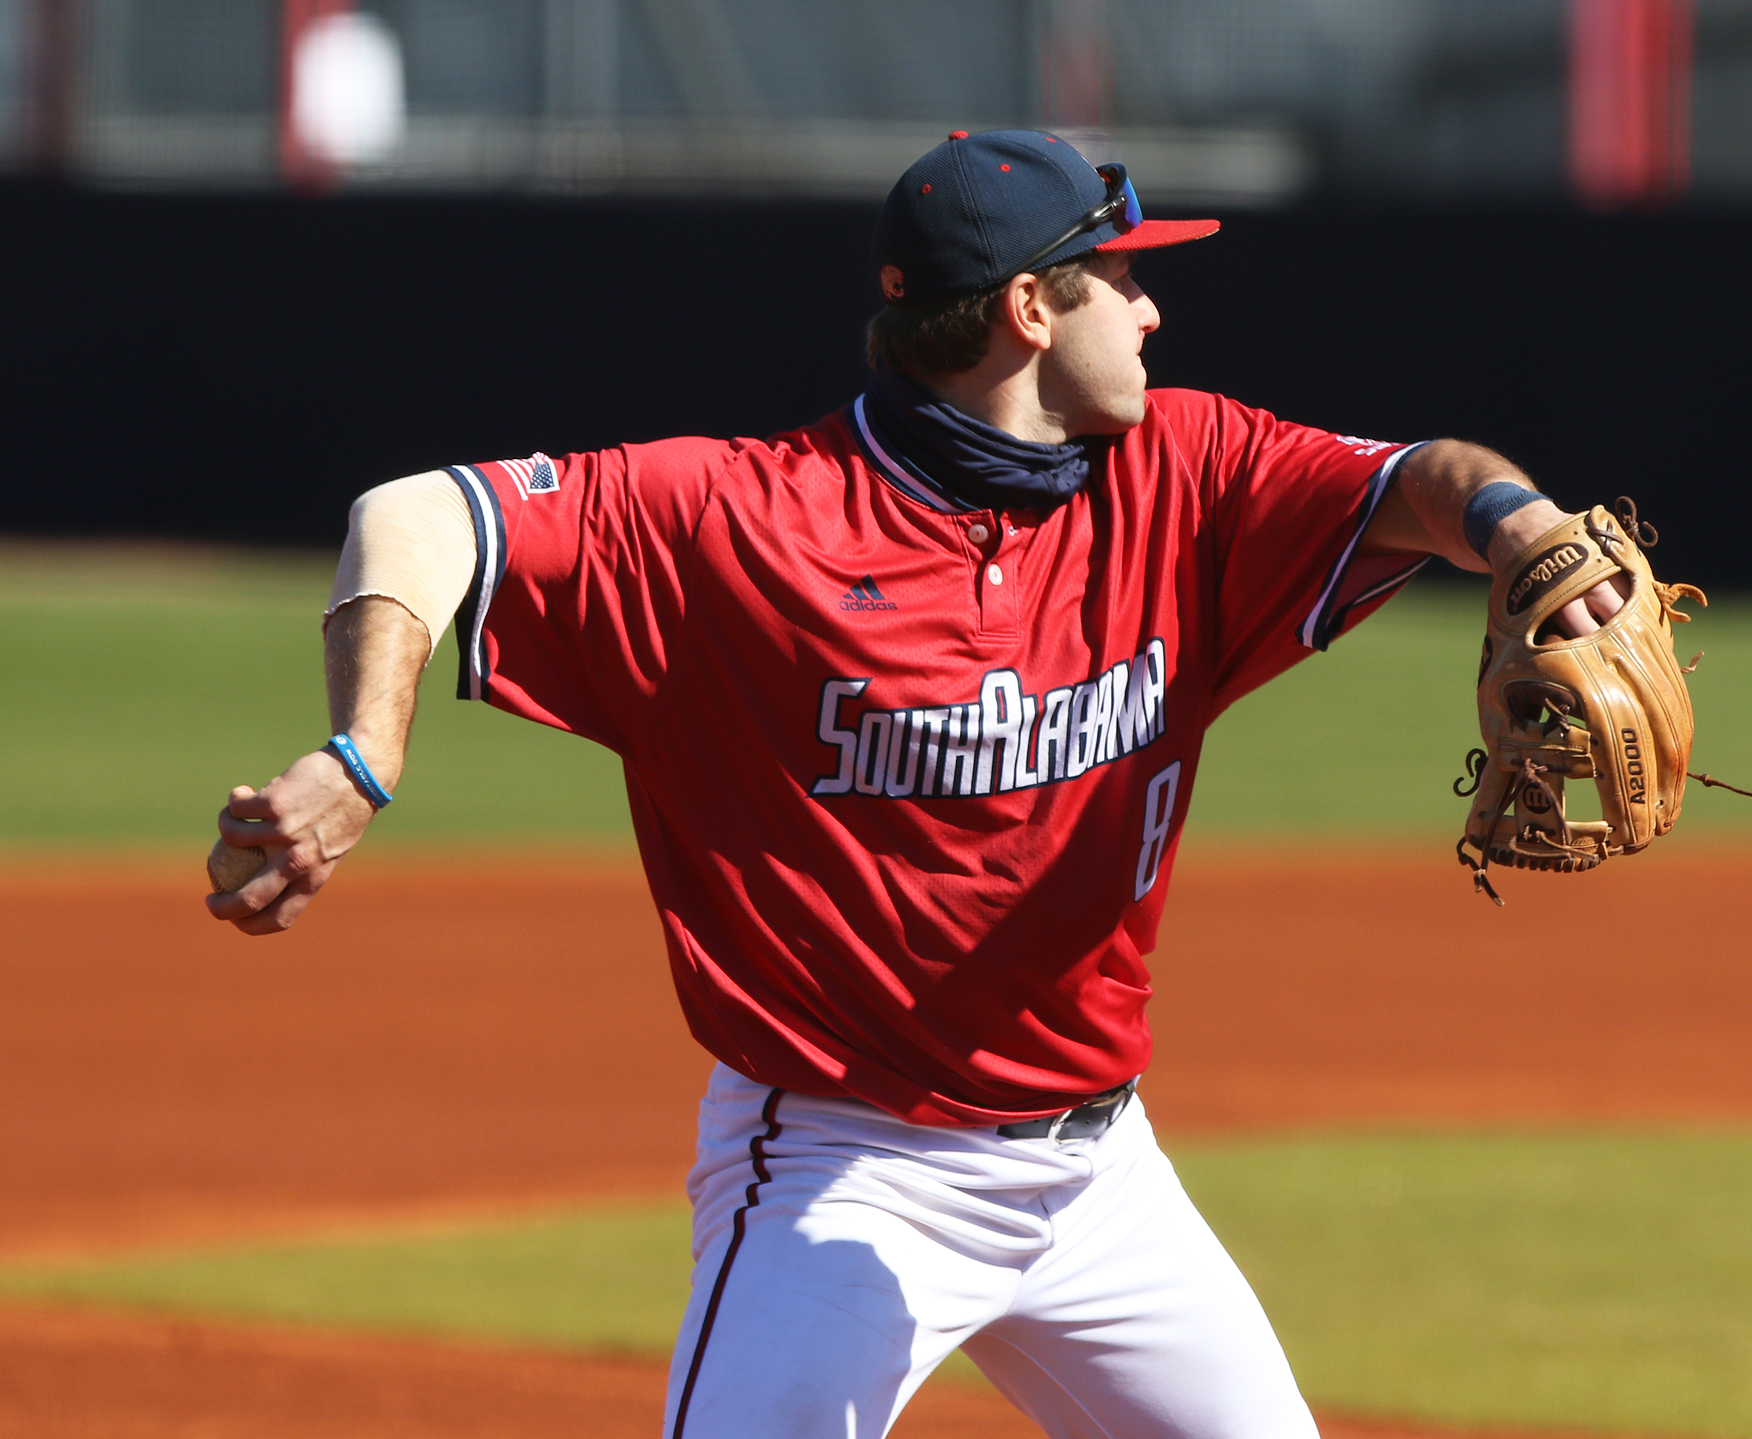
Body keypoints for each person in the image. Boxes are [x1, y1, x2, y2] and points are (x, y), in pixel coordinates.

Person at [208, 130, 1624, 1438]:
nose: (1149, 311)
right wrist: (363, 753)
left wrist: (1521, 529)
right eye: (1120, 278)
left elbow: (1421, 481)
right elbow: (411, 518)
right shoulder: (744, 522)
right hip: (842, 1163)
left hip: (1101, 1175)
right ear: (1026, 309)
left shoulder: (1182, 474)